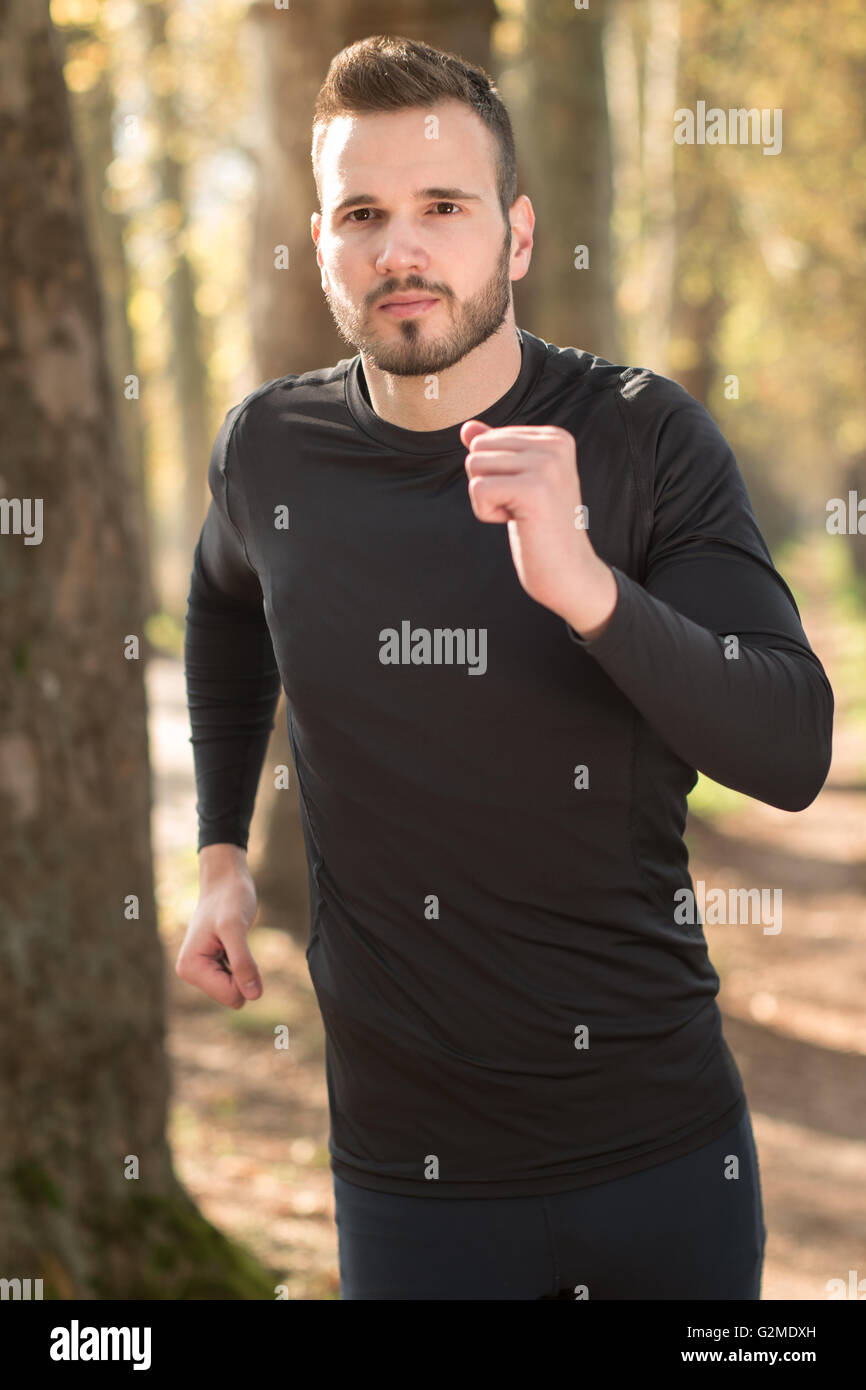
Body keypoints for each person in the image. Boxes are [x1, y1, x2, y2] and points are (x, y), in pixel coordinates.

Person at [177, 35, 833, 1300]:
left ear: (517, 237)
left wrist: (588, 589)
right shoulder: (272, 450)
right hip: (407, 1190)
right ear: (320, 243)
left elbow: (791, 745)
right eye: (361, 214)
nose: (399, 250)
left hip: (660, 1163)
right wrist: (215, 854)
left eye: (441, 209)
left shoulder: (643, 435)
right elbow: (218, 610)